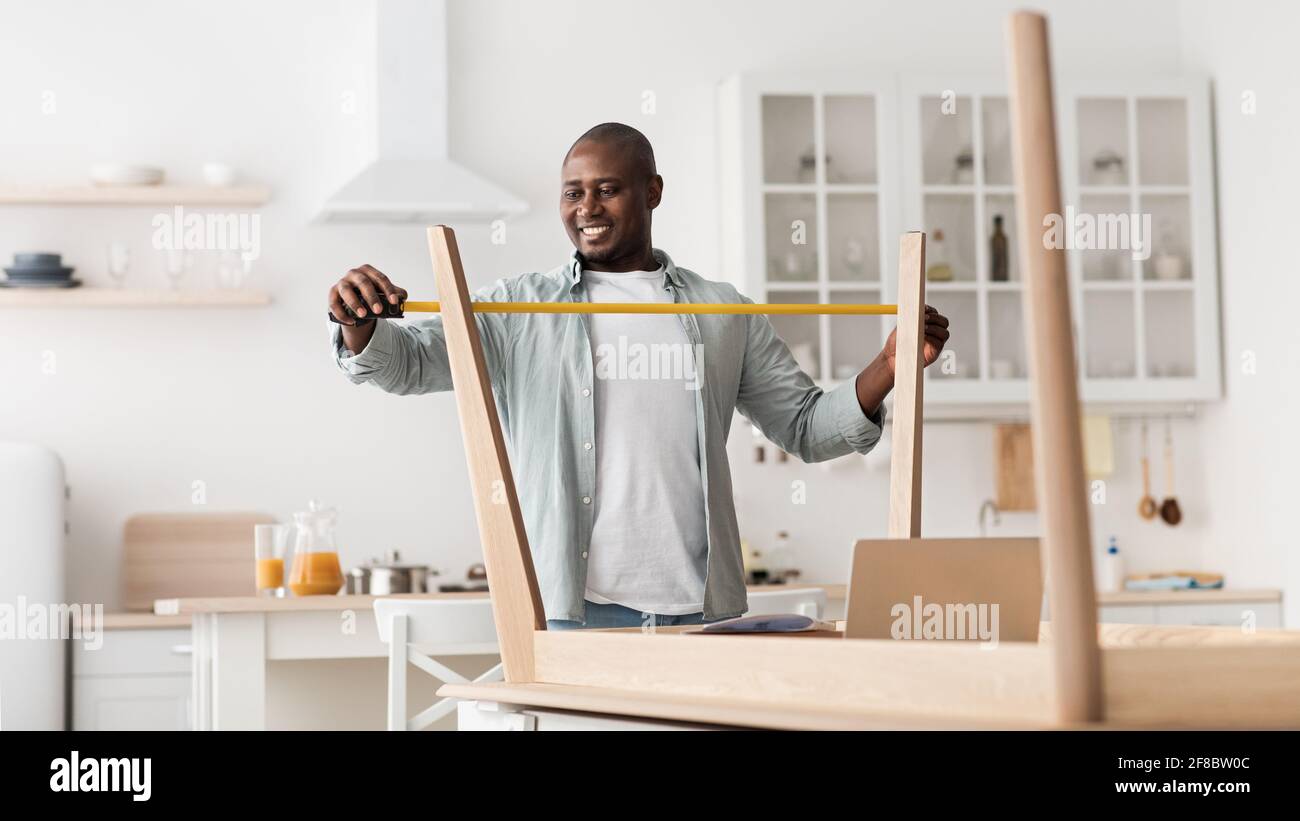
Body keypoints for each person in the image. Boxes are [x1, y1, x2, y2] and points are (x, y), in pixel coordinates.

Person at [328, 122, 950, 630]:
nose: (587, 208)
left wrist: (890, 365)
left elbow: (807, 428)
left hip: (700, 615)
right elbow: (407, 363)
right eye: (573, 192)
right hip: (571, 611)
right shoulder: (519, 309)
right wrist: (358, 321)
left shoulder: (724, 313)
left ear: (652, 191)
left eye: (607, 189)